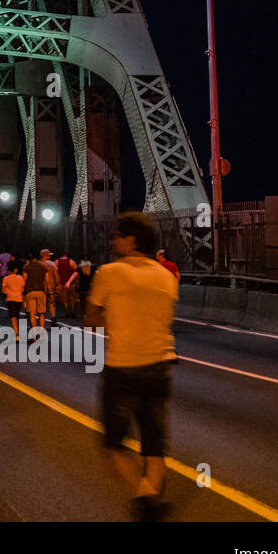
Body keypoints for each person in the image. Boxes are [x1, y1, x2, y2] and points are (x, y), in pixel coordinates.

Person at [85, 211, 179, 522]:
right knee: (154, 447)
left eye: (117, 235)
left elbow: (91, 318)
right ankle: (151, 497)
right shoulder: (166, 277)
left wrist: (112, 319)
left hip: (122, 368)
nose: (113, 240)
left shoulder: (109, 273)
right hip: (159, 366)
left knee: (113, 444)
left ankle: (145, 497)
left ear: (131, 240)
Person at [23, 251, 50, 331]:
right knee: (41, 314)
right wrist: (48, 292)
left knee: (32, 315)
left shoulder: (27, 267)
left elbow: (25, 280)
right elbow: (47, 281)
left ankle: (34, 335)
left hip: (30, 292)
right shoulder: (43, 267)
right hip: (41, 292)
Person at [1, 260, 25, 340]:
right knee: (17, 316)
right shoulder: (20, 278)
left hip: (10, 299)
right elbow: (22, 289)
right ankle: (17, 332)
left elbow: (3, 290)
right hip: (19, 299)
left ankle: (16, 334)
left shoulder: (6, 278)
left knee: (13, 317)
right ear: (15, 269)